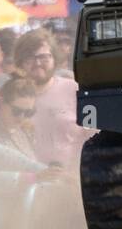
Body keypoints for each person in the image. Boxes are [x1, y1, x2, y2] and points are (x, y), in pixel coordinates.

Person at [12, 29, 92, 167]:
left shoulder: (77, 91)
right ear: (20, 63)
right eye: (30, 58)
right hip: (32, 181)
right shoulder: (11, 98)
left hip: (76, 179)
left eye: (43, 57)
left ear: (54, 59)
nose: (37, 63)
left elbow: (95, 136)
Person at [0, 77, 40, 160]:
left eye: (28, 112)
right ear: (2, 102)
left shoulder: (27, 130)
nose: (22, 118)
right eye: (17, 111)